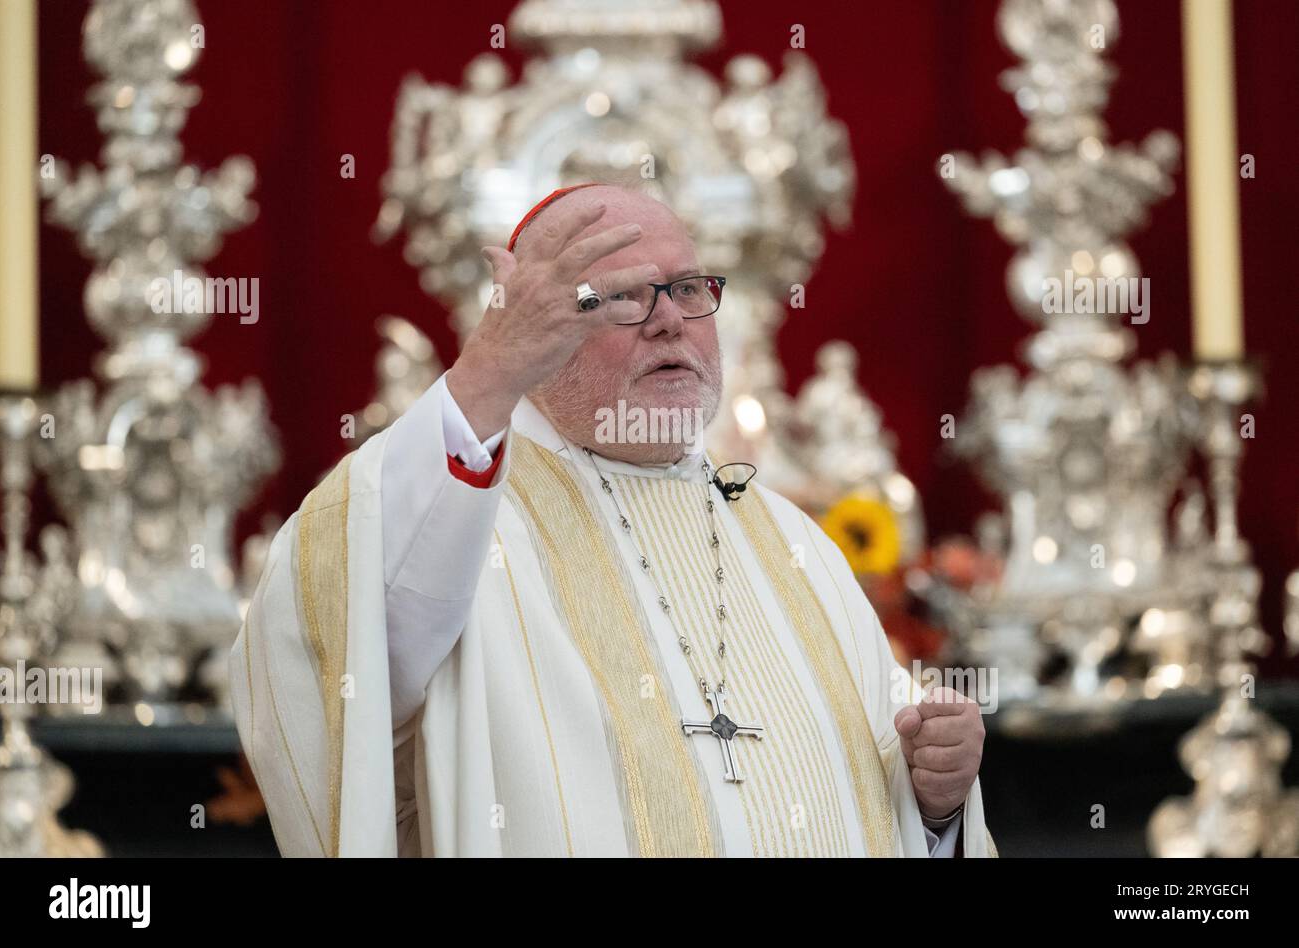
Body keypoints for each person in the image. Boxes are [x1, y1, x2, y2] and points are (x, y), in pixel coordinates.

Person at [231, 183, 993, 857]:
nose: (669, 322)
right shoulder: (464, 521)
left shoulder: (796, 543)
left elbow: (887, 788)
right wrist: (490, 369)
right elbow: (335, 628)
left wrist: (936, 801)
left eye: (689, 290)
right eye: (625, 296)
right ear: (537, 330)